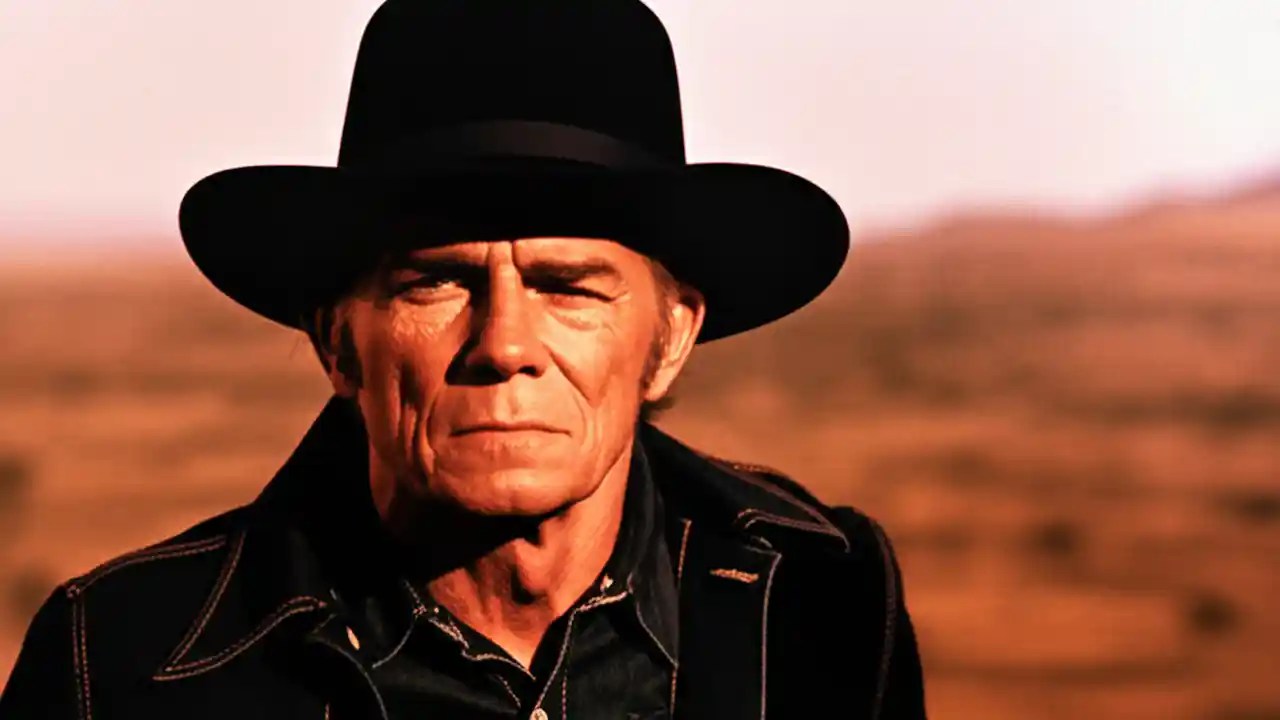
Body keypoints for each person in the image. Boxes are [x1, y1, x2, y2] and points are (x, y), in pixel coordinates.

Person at [0, 1, 926, 717]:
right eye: (434, 284)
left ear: (671, 336)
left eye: (569, 286)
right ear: (337, 341)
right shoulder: (121, 666)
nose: (505, 346)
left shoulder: (825, 598)